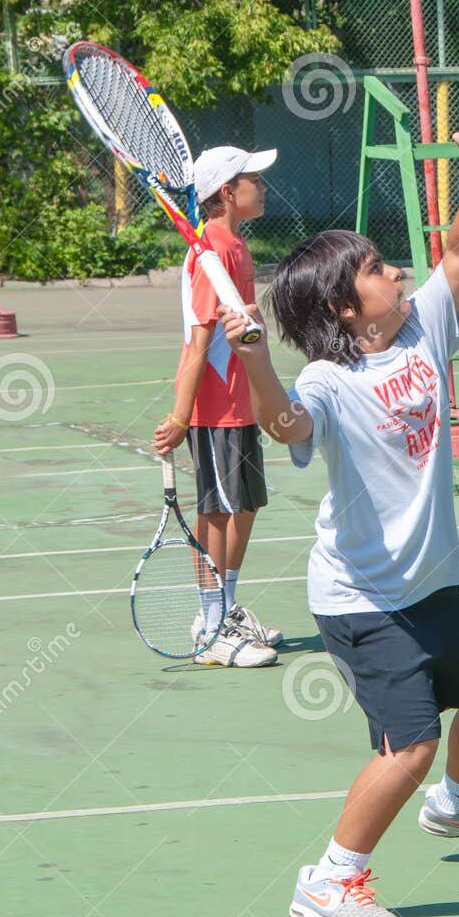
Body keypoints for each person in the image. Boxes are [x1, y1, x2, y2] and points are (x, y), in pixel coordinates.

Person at [220, 114, 459, 917]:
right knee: (407, 748)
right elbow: (287, 427)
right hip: (362, 596)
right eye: (375, 268)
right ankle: (328, 882)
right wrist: (256, 360)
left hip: (432, 582)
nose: (396, 271)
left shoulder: (423, 327)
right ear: (341, 302)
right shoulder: (329, 379)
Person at [153, 146, 283, 668]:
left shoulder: (233, 245)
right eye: (255, 179)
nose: (264, 187)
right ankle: (214, 627)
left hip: (241, 400)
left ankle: (223, 612)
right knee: (218, 511)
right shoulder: (212, 249)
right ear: (228, 192)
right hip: (215, 405)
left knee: (243, 506)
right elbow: (199, 339)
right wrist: (182, 416)